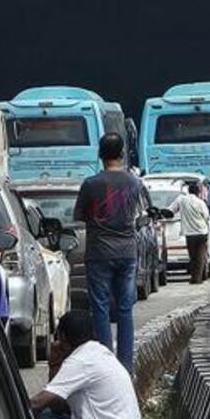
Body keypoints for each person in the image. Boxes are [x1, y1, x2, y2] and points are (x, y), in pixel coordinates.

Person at [74, 132, 148, 372]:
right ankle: (126, 364)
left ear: (100, 154)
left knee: (101, 307)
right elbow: (141, 214)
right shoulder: (135, 182)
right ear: (122, 154)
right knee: (125, 308)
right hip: (127, 251)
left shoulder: (90, 184)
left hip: (99, 252)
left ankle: (106, 362)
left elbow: (79, 215)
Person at [30, 310, 143, 419]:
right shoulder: (99, 353)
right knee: (49, 415)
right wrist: (54, 363)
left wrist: (9, 418)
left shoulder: (80, 360)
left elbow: (37, 403)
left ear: (62, 337)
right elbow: (57, 406)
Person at [173, 179, 210, 283]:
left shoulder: (182, 200)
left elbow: (171, 210)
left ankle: (194, 277)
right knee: (200, 256)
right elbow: (207, 216)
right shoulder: (200, 202)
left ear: (189, 191)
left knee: (193, 256)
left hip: (189, 234)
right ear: (198, 192)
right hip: (201, 232)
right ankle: (197, 278)